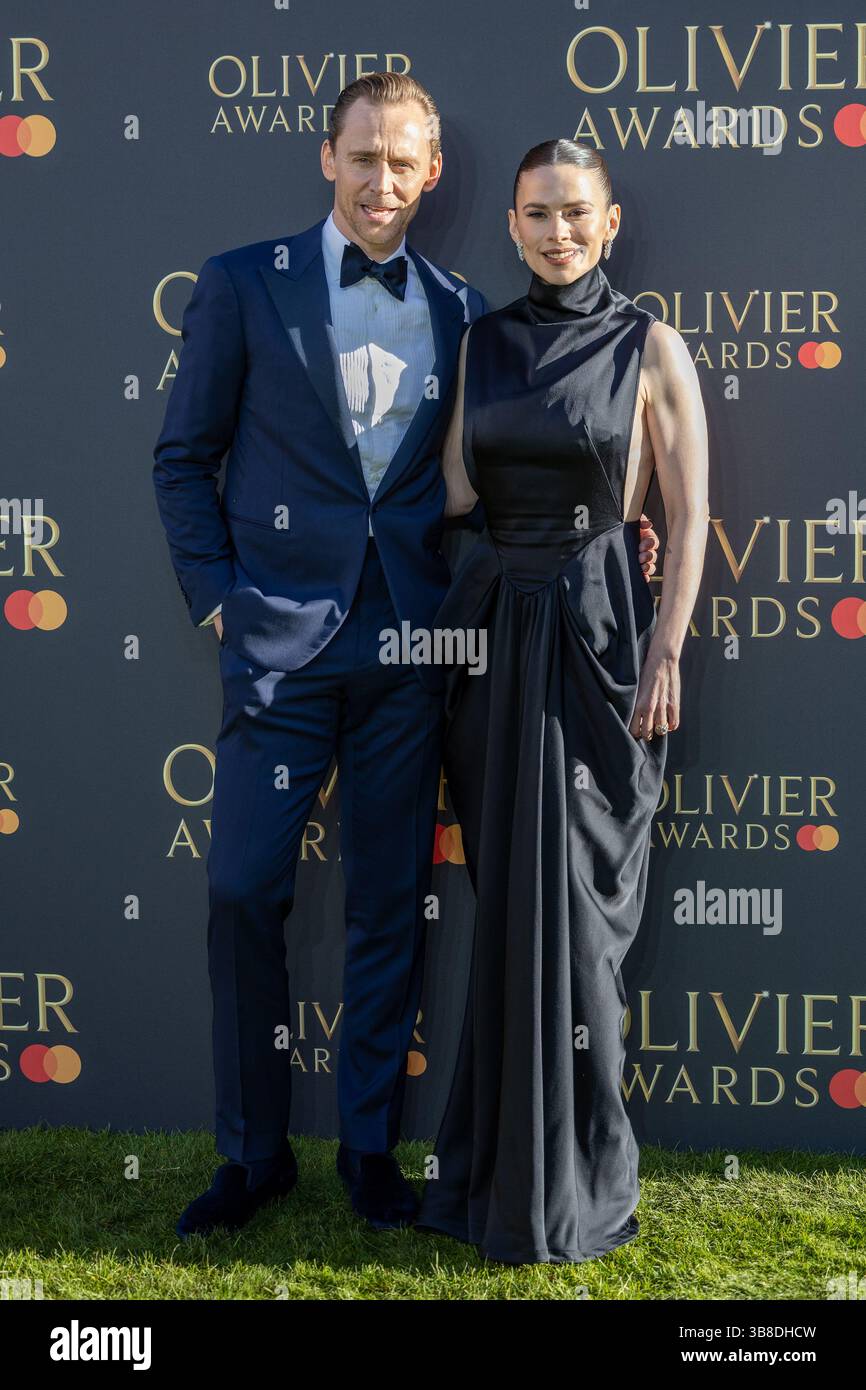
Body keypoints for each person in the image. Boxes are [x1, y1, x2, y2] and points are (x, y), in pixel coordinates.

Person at [153, 73, 660, 1240]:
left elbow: (510, 465)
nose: (381, 182)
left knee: (390, 900)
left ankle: (371, 1150)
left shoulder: (462, 311)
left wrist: (615, 517)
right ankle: (251, 1154)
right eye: (362, 156)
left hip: (413, 644)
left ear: (434, 176)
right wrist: (219, 602)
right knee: (240, 892)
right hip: (276, 646)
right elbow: (182, 459)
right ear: (326, 158)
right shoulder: (242, 286)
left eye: (404, 163)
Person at [416, 140, 709, 1265]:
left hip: (597, 646)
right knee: (510, 916)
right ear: (510, 224)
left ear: (610, 219)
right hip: (489, 642)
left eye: (573, 213)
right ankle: (493, 1178)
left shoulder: (650, 345)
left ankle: (581, 1179)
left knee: (579, 928)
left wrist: (667, 650)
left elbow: (685, 518)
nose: (555, 232)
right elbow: (451, 489)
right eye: (535, 214)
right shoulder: (480, 344)